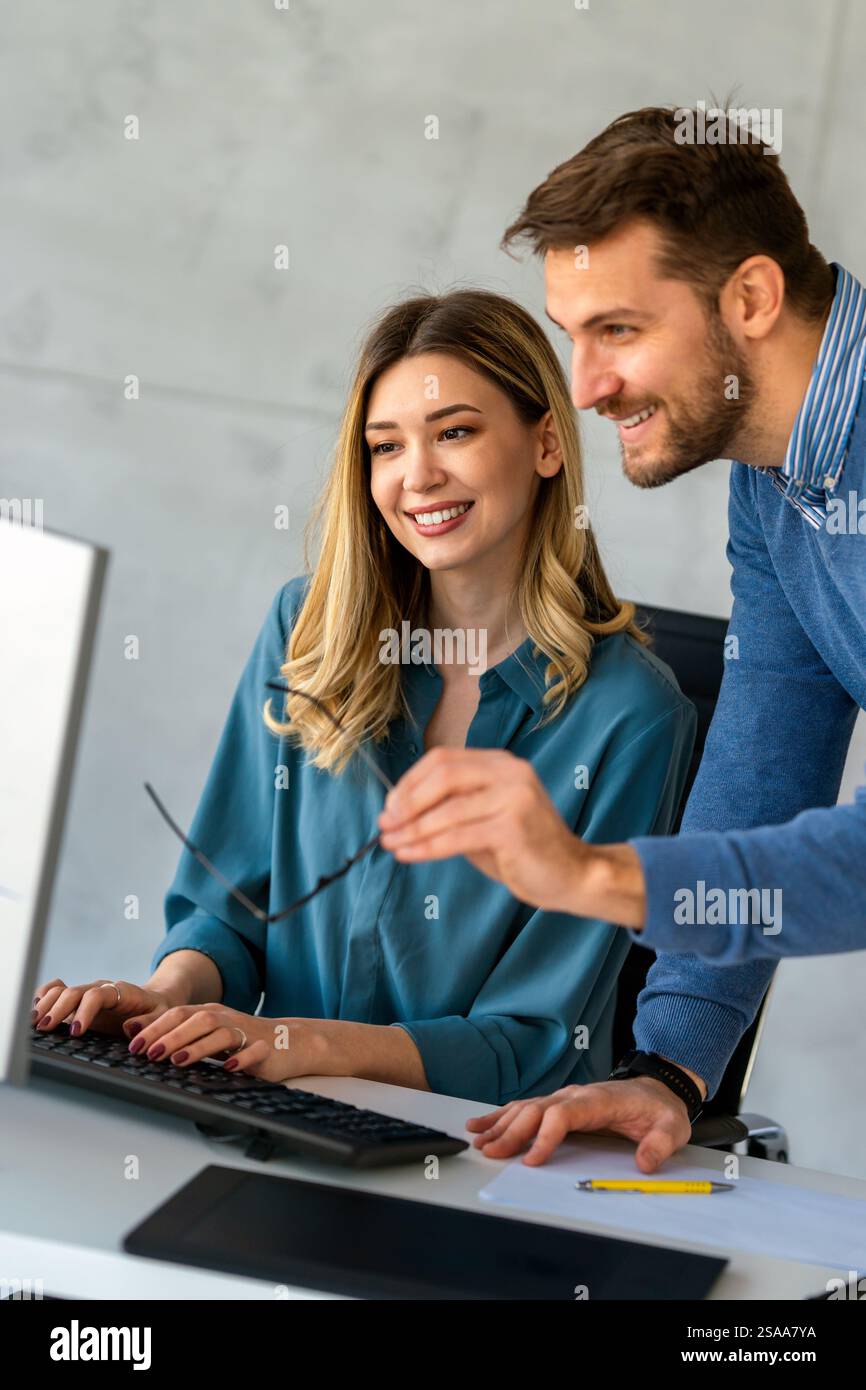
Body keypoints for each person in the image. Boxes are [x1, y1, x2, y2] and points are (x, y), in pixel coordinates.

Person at [32, 288, 695, 1105]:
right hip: (269, 1113)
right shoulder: (306, 631)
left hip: (480, 1156)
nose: (417, 477)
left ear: (547, 443)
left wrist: (294, 1041)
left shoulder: (632, 715)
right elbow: (229, 907)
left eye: (455, 431)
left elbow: (532, 1041)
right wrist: (171, 995)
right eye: (386, 447)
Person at [377, 105, 866, 1166]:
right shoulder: (772, 479)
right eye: (570, 336)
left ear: (748, 297)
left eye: (617, 330)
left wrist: (591, 875)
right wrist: (668, 1069)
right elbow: (761, 765)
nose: (585, 384)